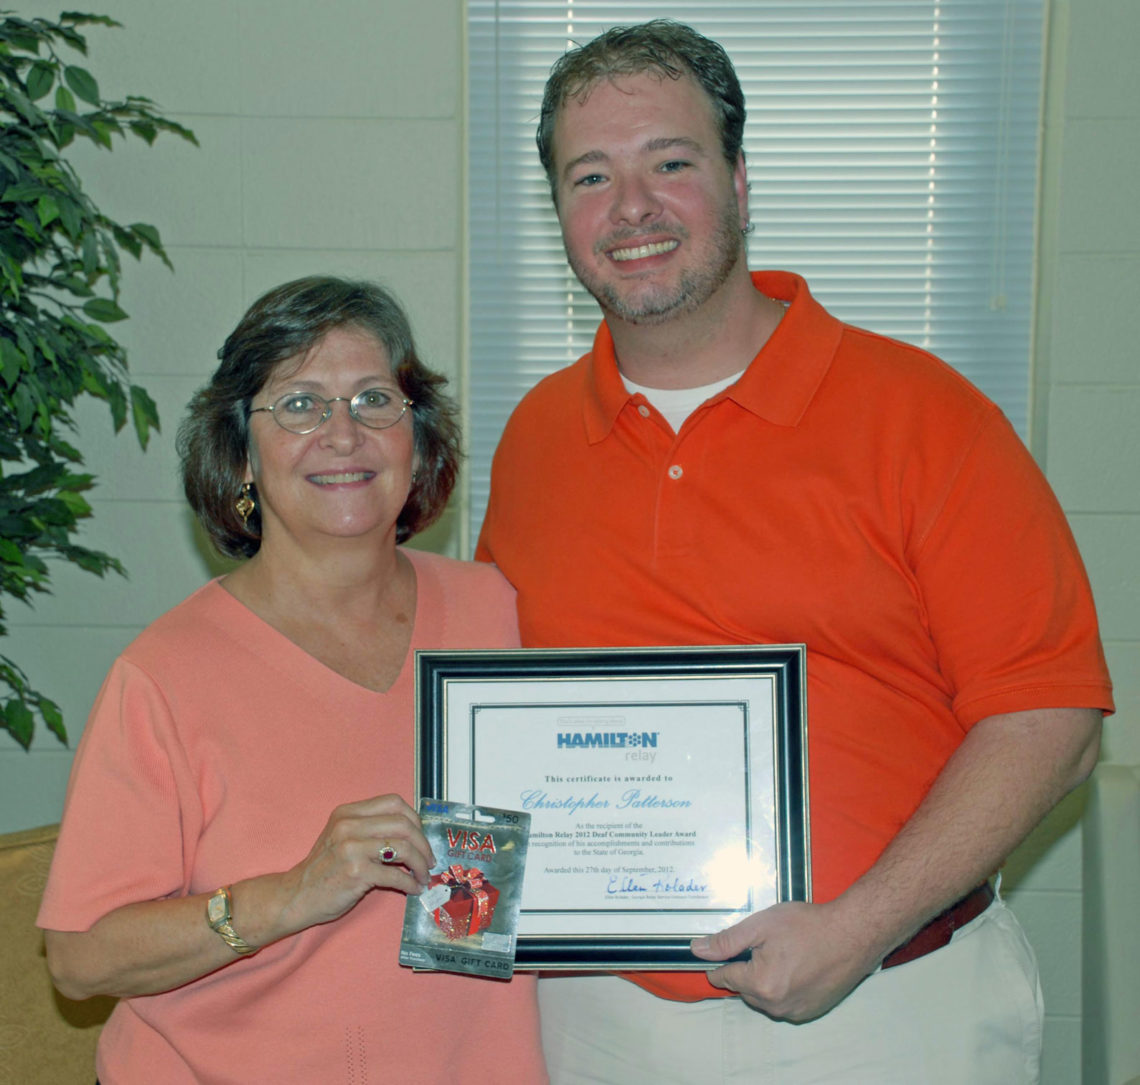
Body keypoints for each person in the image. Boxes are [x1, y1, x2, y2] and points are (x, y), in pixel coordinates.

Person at [475, 20, 1114, 1084]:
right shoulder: (538, 435)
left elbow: (1051, 718)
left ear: (738, 177)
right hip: (597, 1019)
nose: (631, 207)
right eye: (592, 176)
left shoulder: (926, 417)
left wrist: (858, 926)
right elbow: (506, 704)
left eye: (669, 162)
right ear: (560, 215)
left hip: (889, 1009)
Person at [38, 276, 547, 1084]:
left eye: (376, 399)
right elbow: (78, 957)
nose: (343, 435)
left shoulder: (500, 614)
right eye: (301, 405)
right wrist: (292, 893)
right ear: (241, 450)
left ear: (418, 442)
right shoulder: (164, 674)